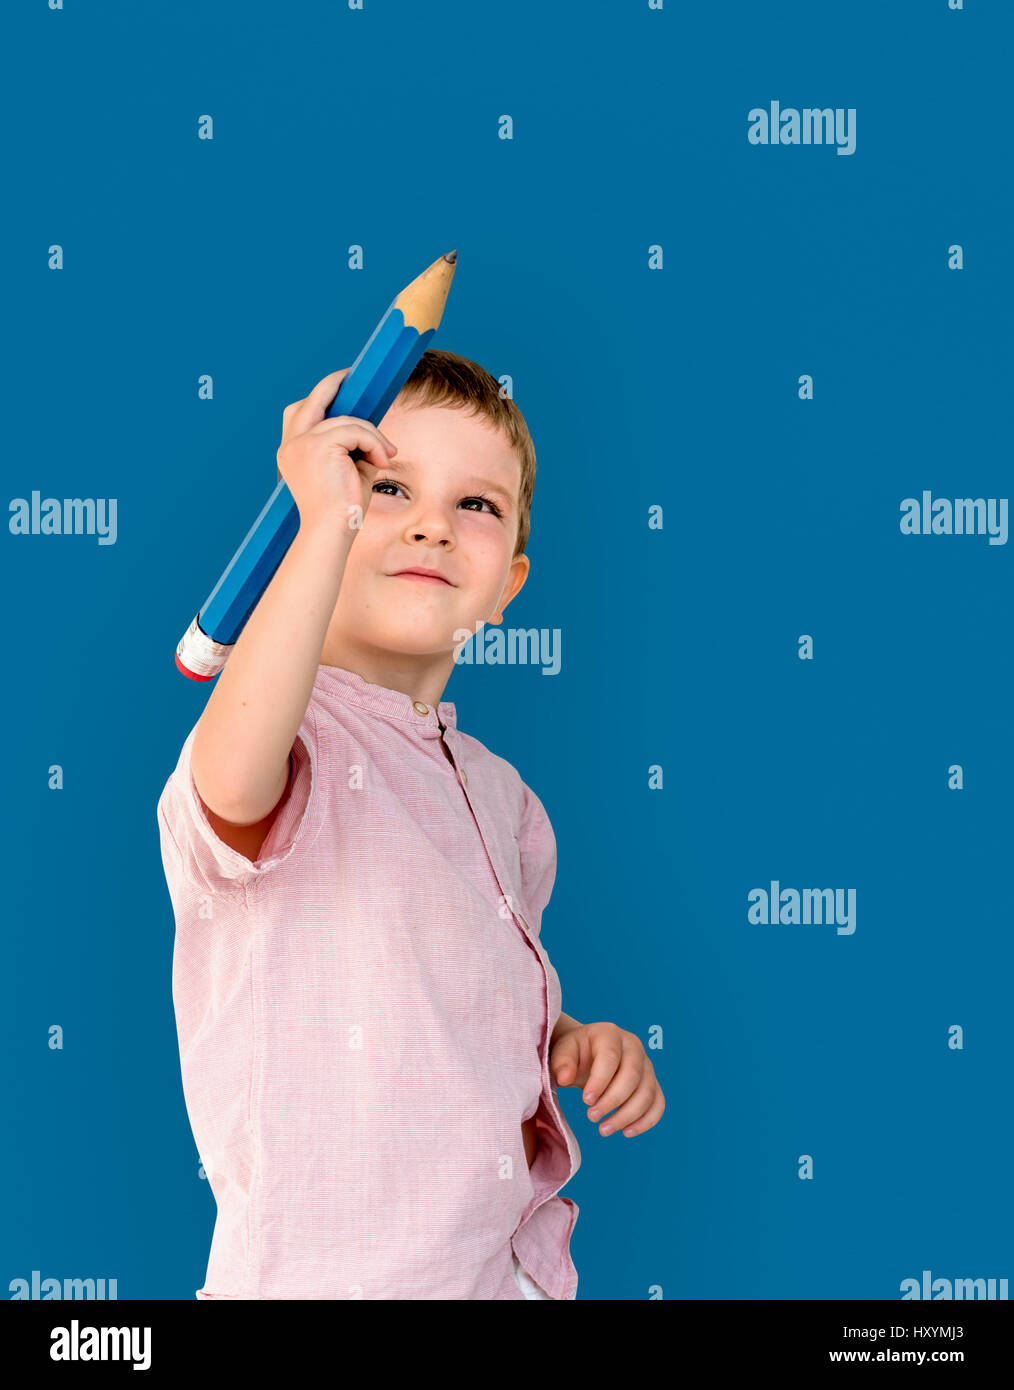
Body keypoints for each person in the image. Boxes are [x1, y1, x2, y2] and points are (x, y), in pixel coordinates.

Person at [156, 349, 665, 1299]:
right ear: (309, 521)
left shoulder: (502, 797)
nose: (433, 523)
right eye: (385, 487)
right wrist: (319, 523)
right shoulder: (285, 729)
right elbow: (231, 776)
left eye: (477, 505)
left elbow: (460, 1008)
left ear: (508, 583)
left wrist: (567, 1043)